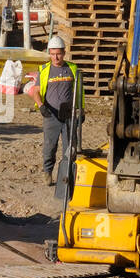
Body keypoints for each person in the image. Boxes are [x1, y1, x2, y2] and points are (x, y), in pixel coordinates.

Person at [24, 35, 84, 188]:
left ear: (64, 53)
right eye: (52, 53)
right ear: (49, 53)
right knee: (50, 146)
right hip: (51, 115)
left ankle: (66, 176)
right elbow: (35, 90)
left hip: (69, 115)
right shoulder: (44, 70)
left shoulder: (72, 68)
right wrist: (41, 105)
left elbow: (79, 91)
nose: (55, 57)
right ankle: (47, 173)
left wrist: (81, 109)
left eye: (58, 53)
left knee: (70, 147)